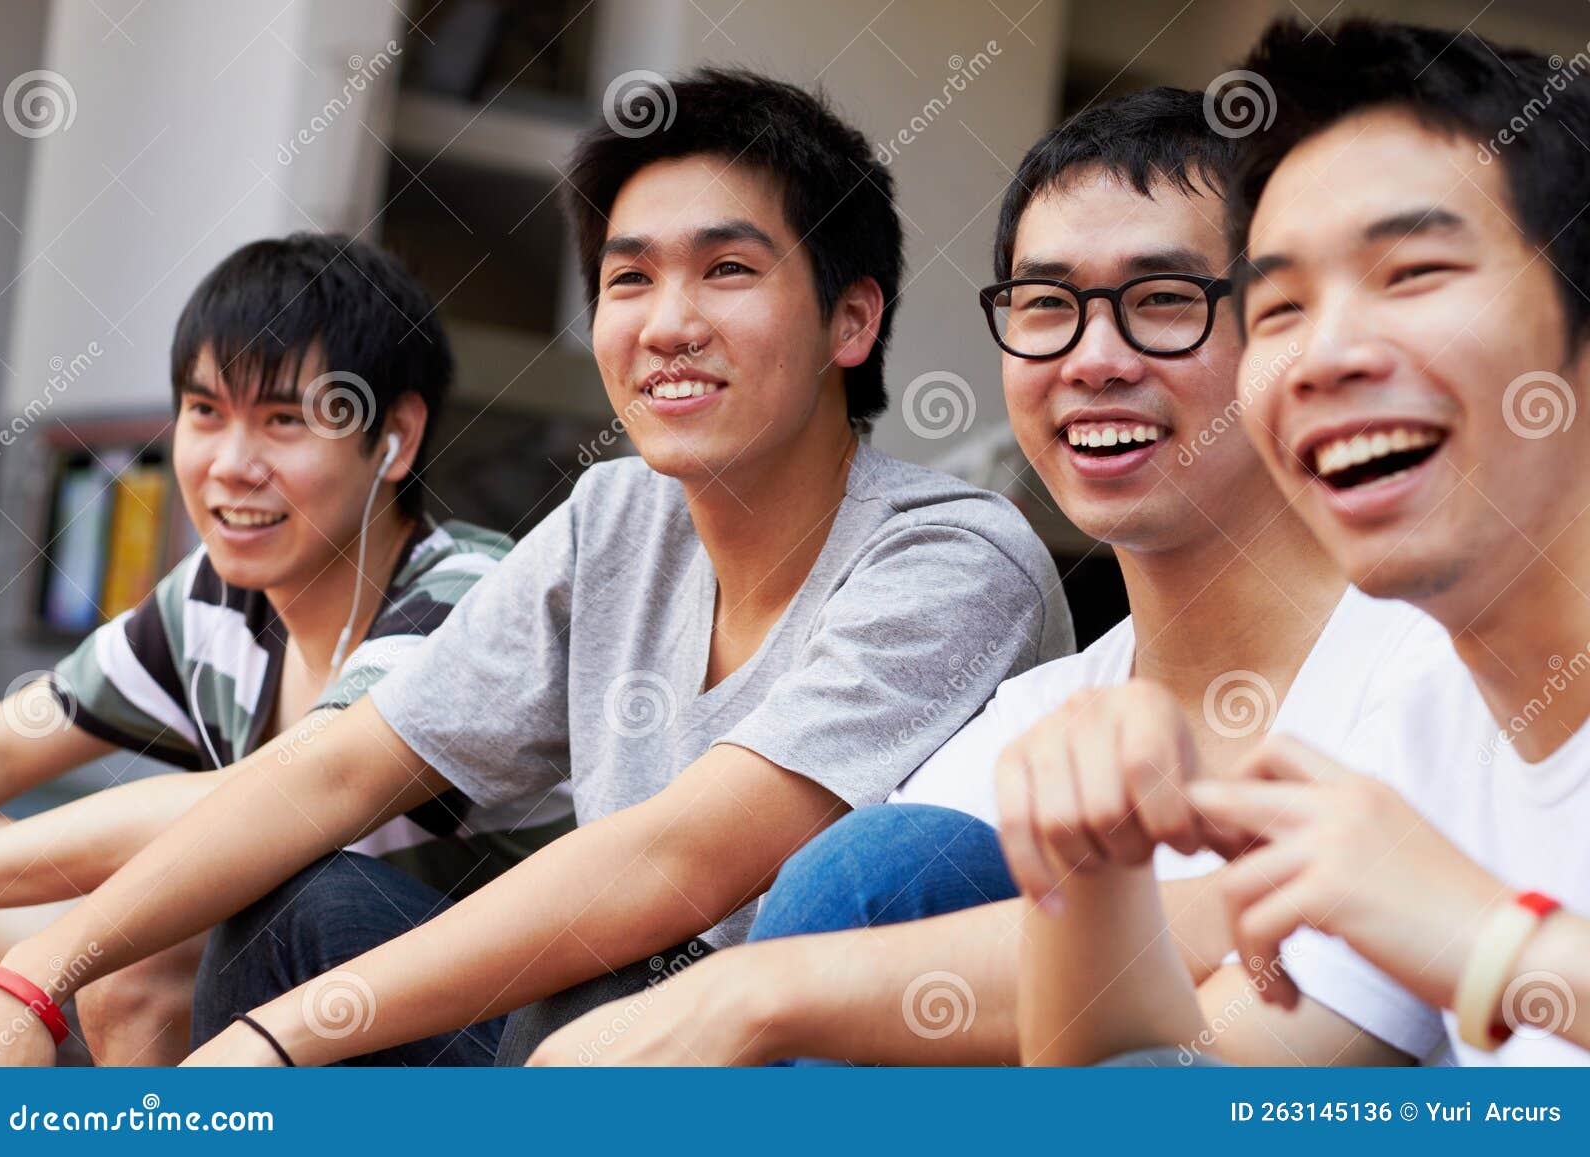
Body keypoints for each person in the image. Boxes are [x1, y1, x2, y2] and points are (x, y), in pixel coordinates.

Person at [0, 68, 1070, 1068]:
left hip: (797, 1069)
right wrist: (41, 972)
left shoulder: (950, 559)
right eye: (630, 278)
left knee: (591, 973)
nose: (669, 324)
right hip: (579, 1047)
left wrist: (277, 1038)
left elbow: (680, 860)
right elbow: (339, 769)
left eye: (728, 269)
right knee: (295, 911)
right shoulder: (614, 516)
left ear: (852, 318)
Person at [528, 88, 1451, 1067]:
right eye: (1048, 306)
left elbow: (1230, 1070)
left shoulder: (1436, 673)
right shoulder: (1032, 722)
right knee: (871, 874)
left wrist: (763, 992)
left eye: (1164, 300)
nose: (1094, 359)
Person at [0, 233, 546, 1065]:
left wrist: (31, 963)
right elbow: (6, 746)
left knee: (230, 917)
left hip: (520, 1038)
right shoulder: (213, 601)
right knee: (127, 948)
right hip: (317, 1021)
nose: (231, 465)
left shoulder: (469, 592)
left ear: (395, 436)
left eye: (284, 420)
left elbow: (289, 793)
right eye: (205, 412)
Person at [1173, 17, 1590, 1066]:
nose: (1326, 355)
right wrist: (1086, 865)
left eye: (1412, 272)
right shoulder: (1424, 736)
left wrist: (1496, 943)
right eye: (1278, 308)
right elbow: (1174, 1105)